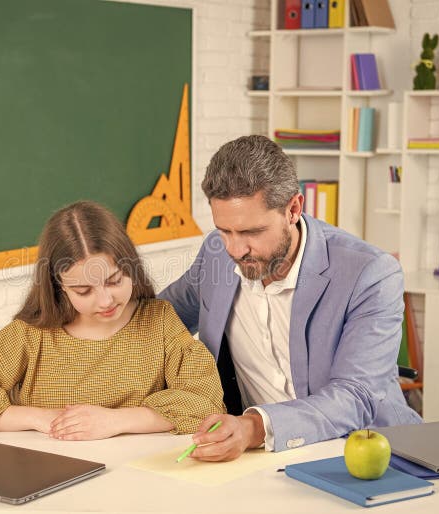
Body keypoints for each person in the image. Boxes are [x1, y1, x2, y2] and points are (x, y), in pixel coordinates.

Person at [159, 135, 422, 461]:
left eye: (252, 232)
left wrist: (253, 427)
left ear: (293, 209)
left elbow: (356, 396)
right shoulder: (217, 254)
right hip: (260, 461)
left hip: (368, 452)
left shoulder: (370, 274)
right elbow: (158, 318)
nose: (235, 250)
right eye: (225, 230)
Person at [0, 201, 225, 439]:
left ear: (131, 267)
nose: (105, 301)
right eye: (83, 290)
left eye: (115, 281)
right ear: (58, 287)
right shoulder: (30, 335)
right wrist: (42, 418)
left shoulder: (159, 323)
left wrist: (114, 421)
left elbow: (206, 401)